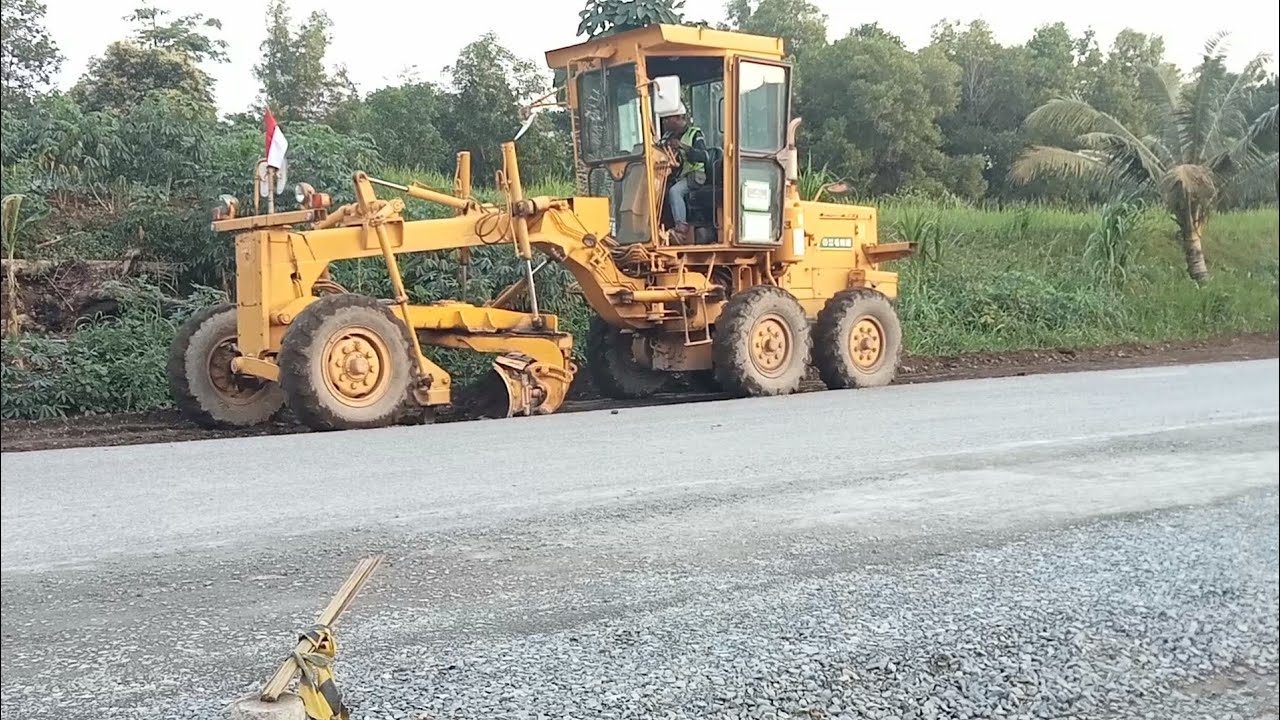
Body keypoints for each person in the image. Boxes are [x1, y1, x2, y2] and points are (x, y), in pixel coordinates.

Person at [658, 102, 709, 243]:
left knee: (675, 192)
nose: (665, 121)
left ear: (680, 117)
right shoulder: (667, 136)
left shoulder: (695, 133)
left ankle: (681, 229)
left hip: (695, 176)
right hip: (678, 176)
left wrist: (682, 147)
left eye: (669, 118)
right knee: (659, 192)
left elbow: (704, 156)